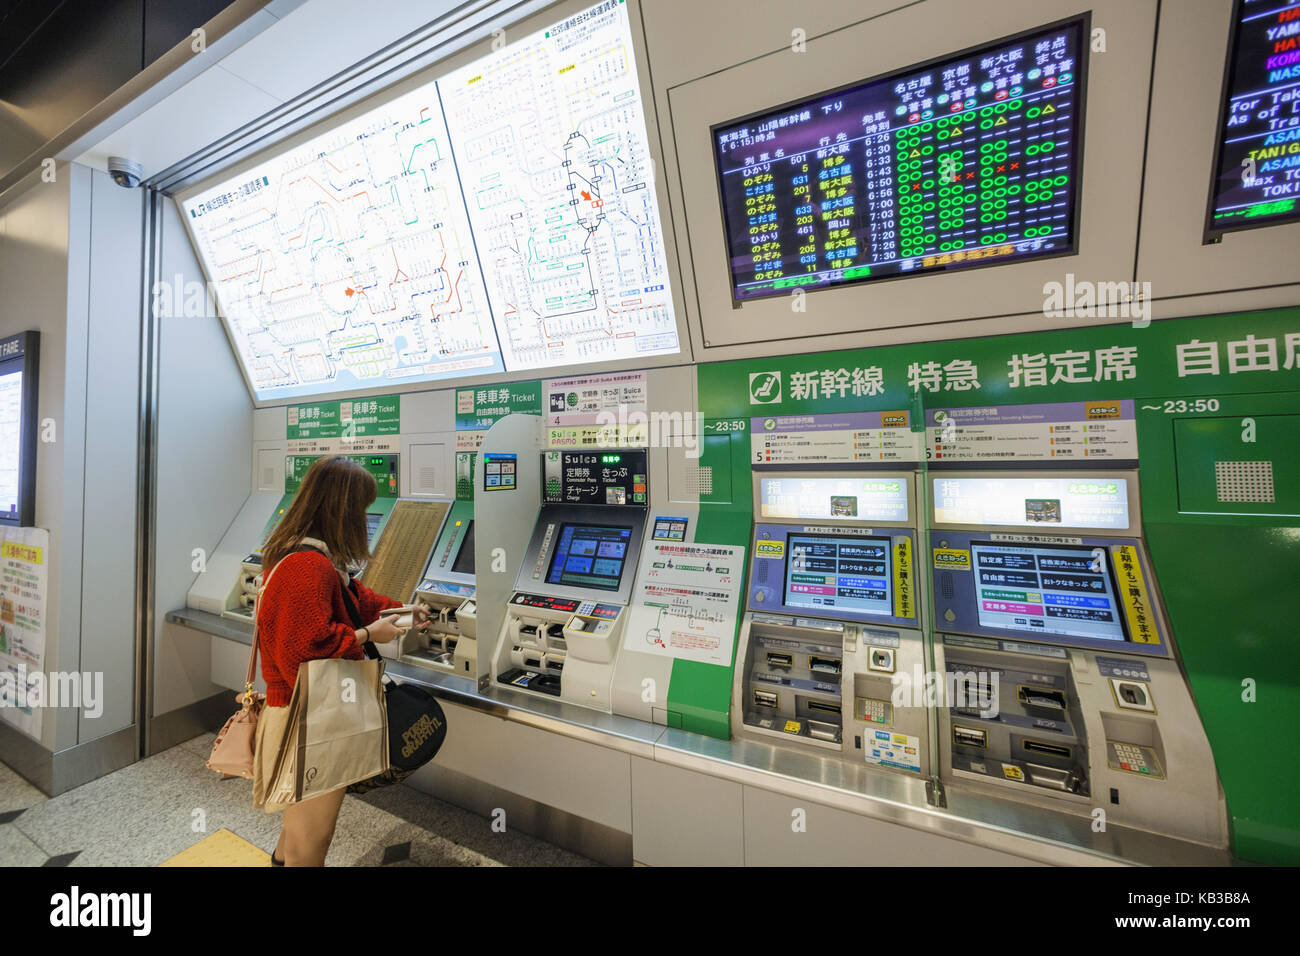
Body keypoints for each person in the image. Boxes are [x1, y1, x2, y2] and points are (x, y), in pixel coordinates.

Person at [252, 455, 426, 866]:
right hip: (306, 720)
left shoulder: (312, 557)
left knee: (297, 825)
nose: (366, 520)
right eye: (362, 510)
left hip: (302, 711)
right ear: (342, 511)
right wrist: (368, 635)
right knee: (314, 837)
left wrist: (403, 611)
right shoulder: (307, 567)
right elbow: (305, 651)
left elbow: (356, 601)